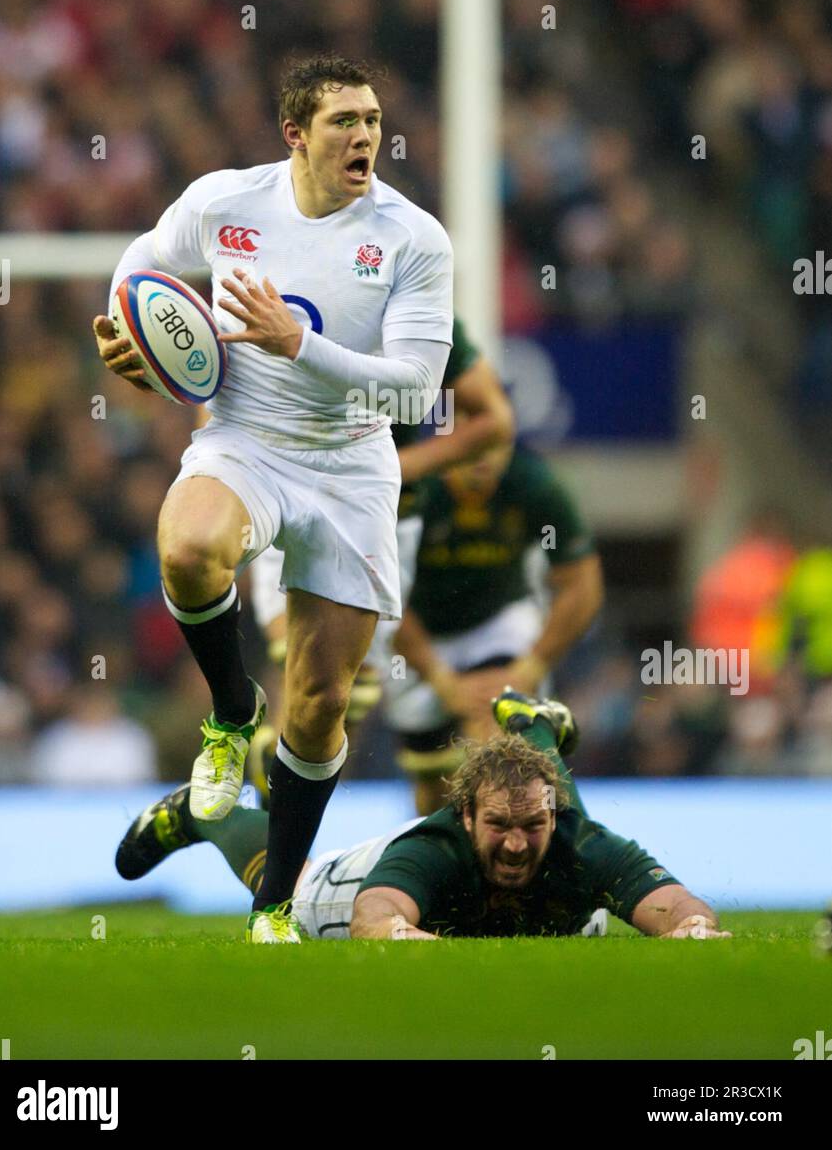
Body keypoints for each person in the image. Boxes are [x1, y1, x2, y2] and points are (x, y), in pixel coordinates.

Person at [94, 54, 453, 942]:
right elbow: (143, 264)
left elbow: (412, 393)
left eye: (371, 118)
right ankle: (227, 714)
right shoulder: (225, 203)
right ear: (295, 133)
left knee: (323, 699)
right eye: (343, 121)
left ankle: (275, 904)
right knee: (185, 548)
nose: (364, 135)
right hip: (243, 438)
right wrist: (124, 336)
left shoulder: (412, 239)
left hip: (349, 463)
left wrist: (297, 343)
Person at [116, 690, 730, 943]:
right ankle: (201, 816)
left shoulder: (581, 840)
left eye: (531, 829)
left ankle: (532, 726)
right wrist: (414, 941)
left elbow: (681, 906)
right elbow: (373, 917)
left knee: (554, 826)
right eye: (498, 828)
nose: (516, 845)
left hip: (554, 857)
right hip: (356, 882)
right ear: (464, 818)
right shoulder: (435, 847)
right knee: (292, 883)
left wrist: (692, 930)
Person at [247, 315, 515, 788]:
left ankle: (286, 829)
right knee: (309, 668)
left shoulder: (418, 311)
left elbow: (494, 418)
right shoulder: (279, 282)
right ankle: (273, 830)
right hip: (290, 494)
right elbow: (216, 390)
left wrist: (394, 466)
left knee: (345, 694)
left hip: (383, 518)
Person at [387, 437, 604, 811]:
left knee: (500, 723)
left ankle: (507, 832)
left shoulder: (533, 484)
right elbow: (379, 592)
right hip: (414, 631)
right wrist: (440, 678)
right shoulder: (412, 489)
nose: (482, 459)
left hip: (499, 622)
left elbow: (582, 585)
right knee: (431, 783)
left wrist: (532, 666)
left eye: (492, 445)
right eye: (470, 447)